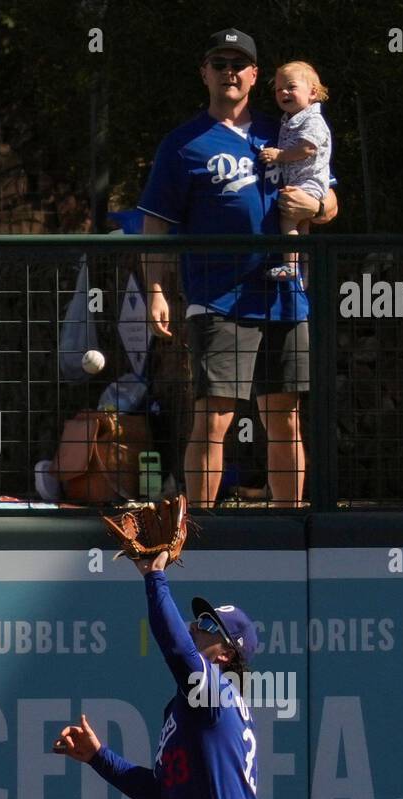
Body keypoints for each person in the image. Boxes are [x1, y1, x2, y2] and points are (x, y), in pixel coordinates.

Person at [139, 28, 338, 509]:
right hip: (218, 295)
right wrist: (157, 292)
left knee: (285, 414)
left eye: (239, 64)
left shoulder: (289, 129)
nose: (230, 72)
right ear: (204, 73)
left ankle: (292, 528)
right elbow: (154, 228)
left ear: (254, 75)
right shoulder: (182, 144)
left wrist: (314, 207)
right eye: (220, 63)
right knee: (213, 416)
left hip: (286, 293)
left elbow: (331, 202)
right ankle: (202, 534)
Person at [52, 537, 266, 799]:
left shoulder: (215, 691)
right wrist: (99, 757)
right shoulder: (200, 705)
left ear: (226, 654)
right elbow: (163, 793)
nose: (197, 625)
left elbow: (177, 647)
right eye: (200, 619)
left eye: (210, 625)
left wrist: (155, 576)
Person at [260, 61, 332, 281]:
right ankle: (304, 271)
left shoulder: (312, 120)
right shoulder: (289, 120)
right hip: (300, 181)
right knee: (301, 226)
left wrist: (279, 155)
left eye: (291, 87)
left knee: (288, 218)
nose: (283, 92)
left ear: (313, 92)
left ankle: (290, 266)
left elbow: (307, 147)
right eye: (279, 89)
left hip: (308, 183)